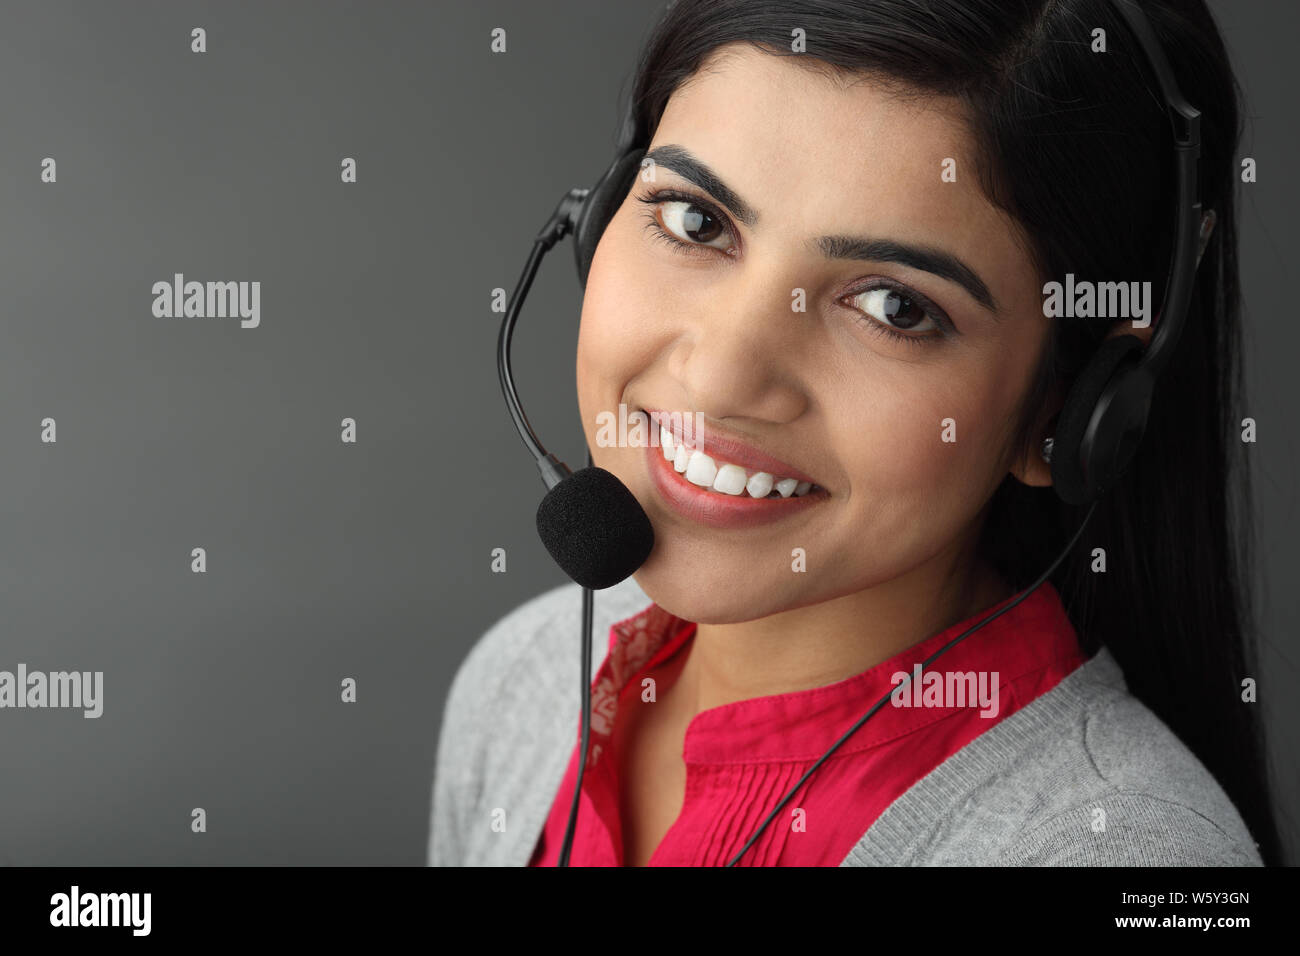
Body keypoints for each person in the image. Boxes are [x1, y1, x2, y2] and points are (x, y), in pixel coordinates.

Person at [429, 0, 1280, 866]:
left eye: (895, 307)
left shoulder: (1124, 855)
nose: (723, 377)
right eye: (696, 221)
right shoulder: (525, 684)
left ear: (1075, 411)